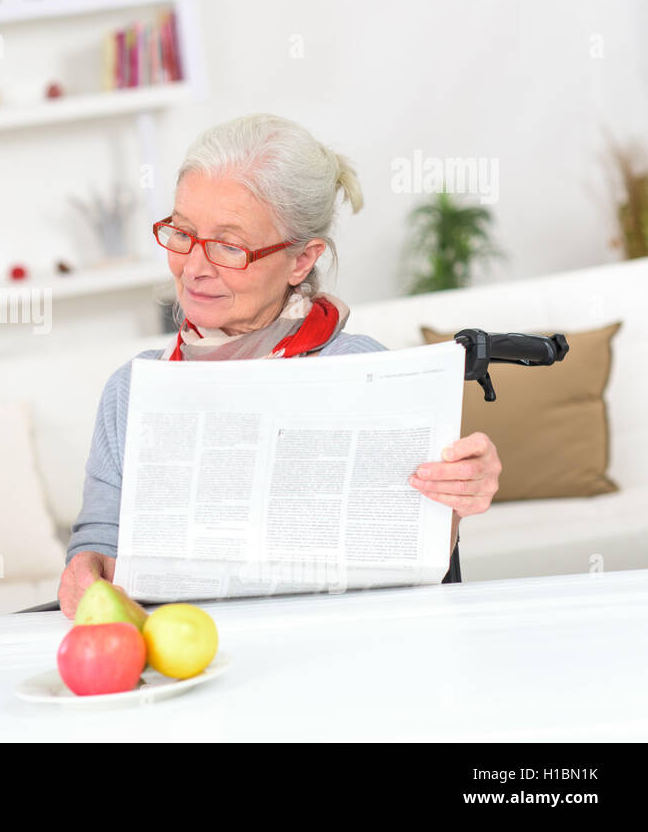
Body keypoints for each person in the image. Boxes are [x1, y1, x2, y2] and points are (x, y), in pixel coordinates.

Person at [58, 114, 501, 618]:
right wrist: (86, 568)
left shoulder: (368, 373)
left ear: (300, 260)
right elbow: (97, 544)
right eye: (182, 233)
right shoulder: (132, 389)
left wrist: (458, 495)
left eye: (229, 246)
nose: (195, 268)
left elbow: (420, 558)